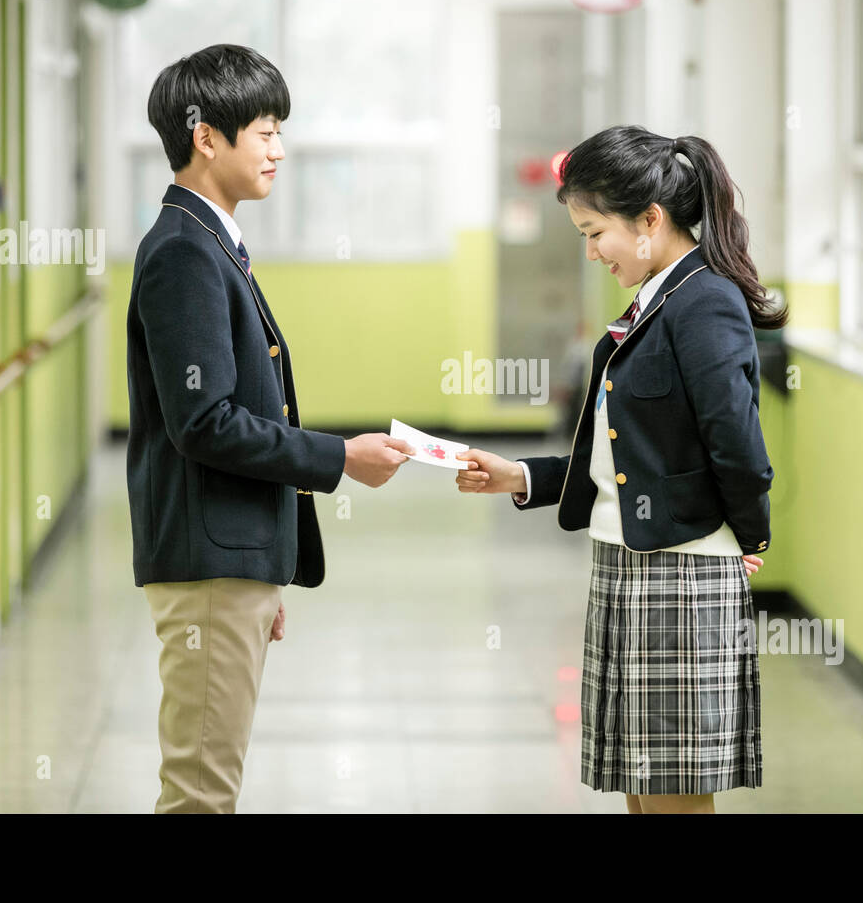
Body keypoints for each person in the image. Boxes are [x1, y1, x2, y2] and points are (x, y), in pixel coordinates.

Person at [456, 125, 788, 815]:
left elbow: (736, 443)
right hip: (629, 559)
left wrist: (748, 537)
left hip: (680, 569)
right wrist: (519, 476)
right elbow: (621, 454)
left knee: (671, 796)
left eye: (594, 231)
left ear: (650, 220)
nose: (591, 251)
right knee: (641, 792)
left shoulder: (704, 301)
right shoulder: (657, 297)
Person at [126, 43, 414, 813]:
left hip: (228, 561)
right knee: (199, 793)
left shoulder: (213, 241)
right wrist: (340, 458)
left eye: (279, 129)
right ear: (205, 137)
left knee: (206, 782)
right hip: (208, 568)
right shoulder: (186, 252)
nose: (278, 149)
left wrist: (261, 564)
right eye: (264, 130)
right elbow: (205, 424)